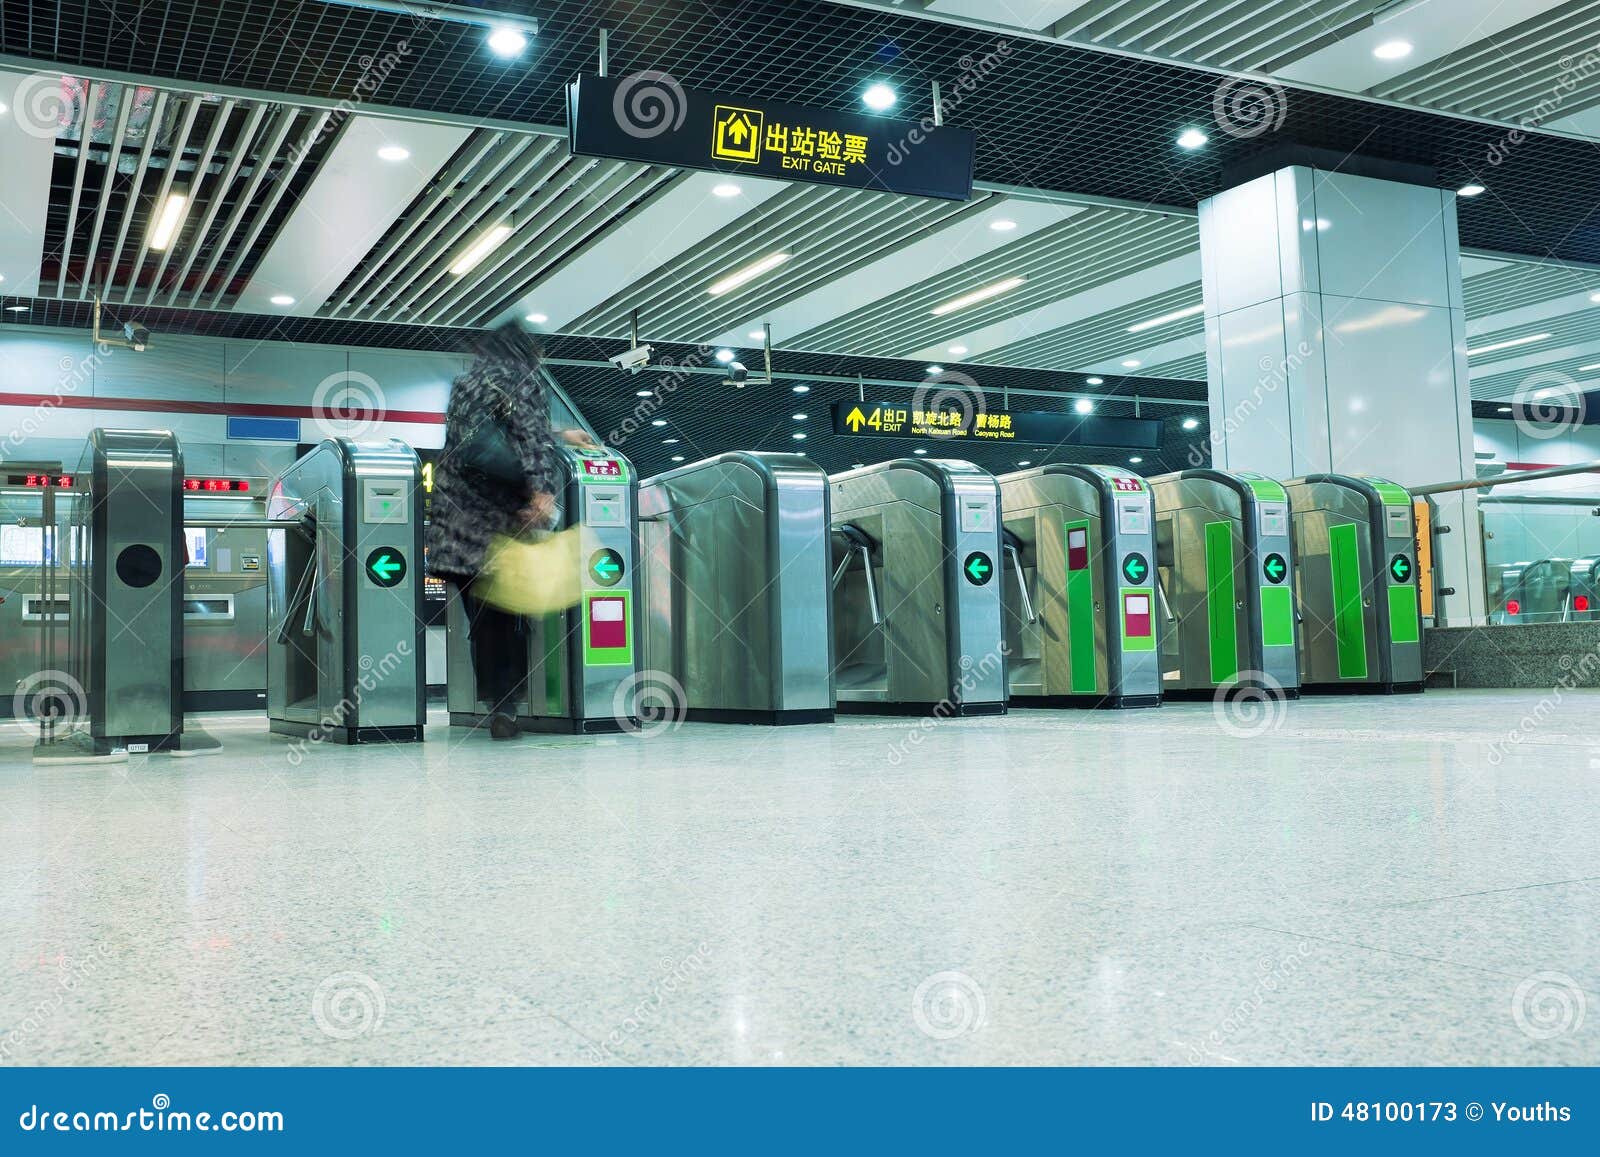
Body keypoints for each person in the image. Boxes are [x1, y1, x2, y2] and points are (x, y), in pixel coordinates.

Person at [426, 323, 595, 740]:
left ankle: (494, 702)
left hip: (454, 533)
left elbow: (486, 436)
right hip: (497, 527)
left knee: (483, 621)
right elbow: (528, 440)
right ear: (527, 352)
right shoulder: (523, 379)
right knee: (510, 617)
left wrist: (559, 437)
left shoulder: (467, 383)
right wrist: (538, 490)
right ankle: (507, 705)